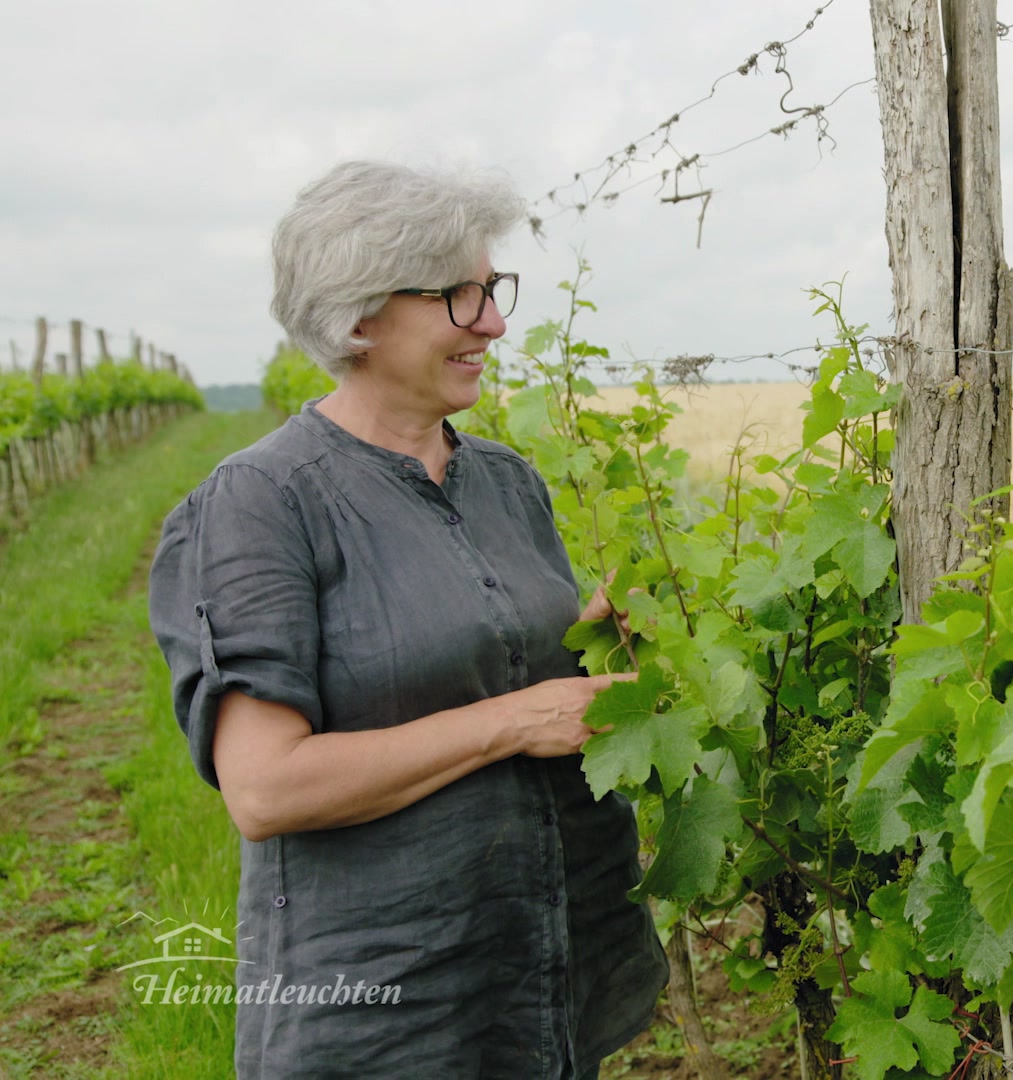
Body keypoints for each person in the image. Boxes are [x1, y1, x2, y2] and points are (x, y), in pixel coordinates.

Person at [148, 161, 668, 1079]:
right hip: (387, 1005)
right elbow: (266, 789)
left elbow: (506, 669)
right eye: (460, 296)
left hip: (543, 964)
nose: (495, 322)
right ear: (358, 315)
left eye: (493, 289)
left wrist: (604, 631)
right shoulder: (265, 501)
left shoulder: (507, 480)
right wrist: (514, 722)